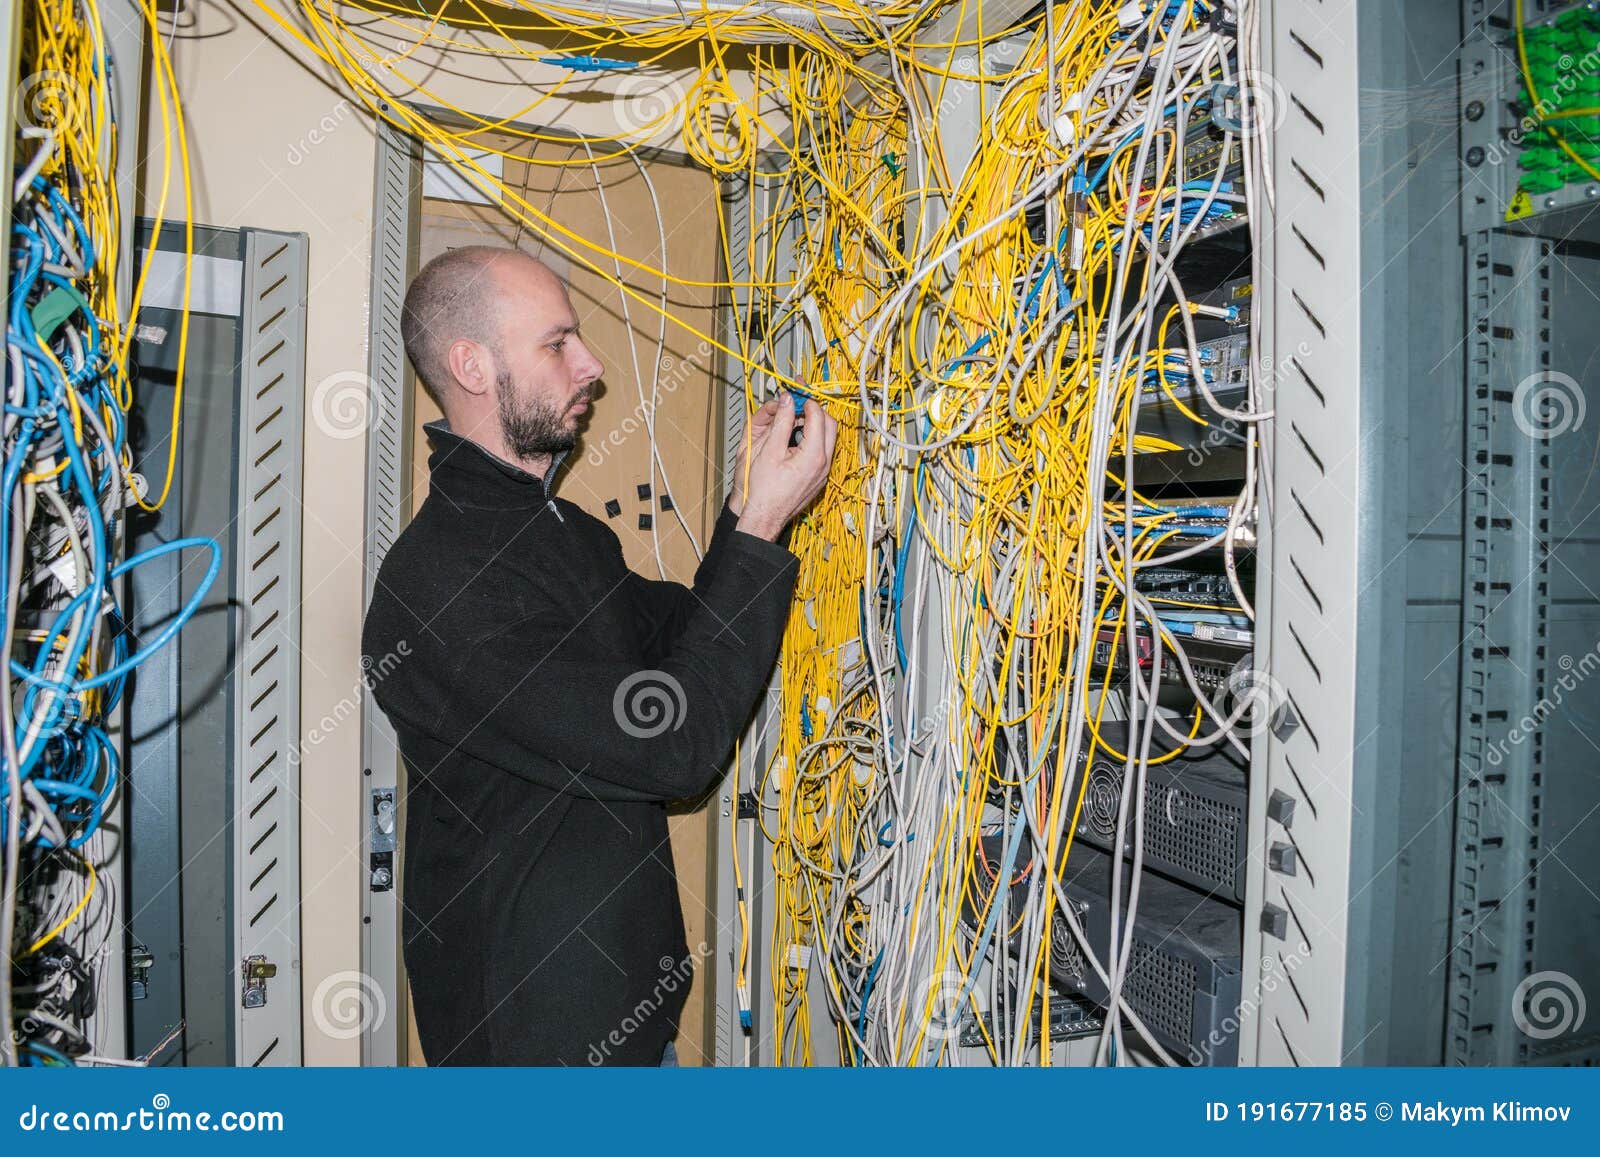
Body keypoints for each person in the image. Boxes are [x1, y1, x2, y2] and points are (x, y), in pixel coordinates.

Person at [360, 246, 836, 1065]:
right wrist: (759, 529)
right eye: (558, 344)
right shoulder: (439, 583)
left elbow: (688, 637)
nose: (592, 365)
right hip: (533, 1043)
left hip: (626, 1020)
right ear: (472, 365)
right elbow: (675, 747)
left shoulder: (562, 533)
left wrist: (743, 504)